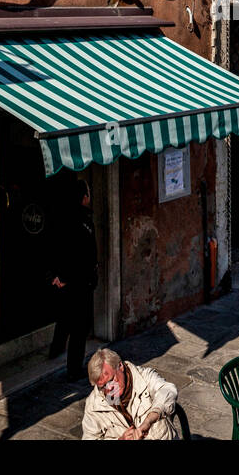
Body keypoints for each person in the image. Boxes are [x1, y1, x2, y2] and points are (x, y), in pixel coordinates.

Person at [47, 175, 98, 381]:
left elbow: (54, 247)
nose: (90, 197)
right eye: (88, 194)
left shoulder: (62, 217)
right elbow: (77, 253)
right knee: (79, 326)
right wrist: (65, 276)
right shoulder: (82, 221)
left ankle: (55, 350)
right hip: (78, 281)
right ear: (84, 197)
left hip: (68, 279)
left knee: (65, 317)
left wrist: (55, 275)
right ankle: (74, 369)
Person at [81, 348, 181, 440]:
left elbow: (167, 390)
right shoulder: (93, 404)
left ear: (120, 366)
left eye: (111, 380)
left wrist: (149, 420)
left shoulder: (144, 377)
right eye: (102, 386)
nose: (109, 388)